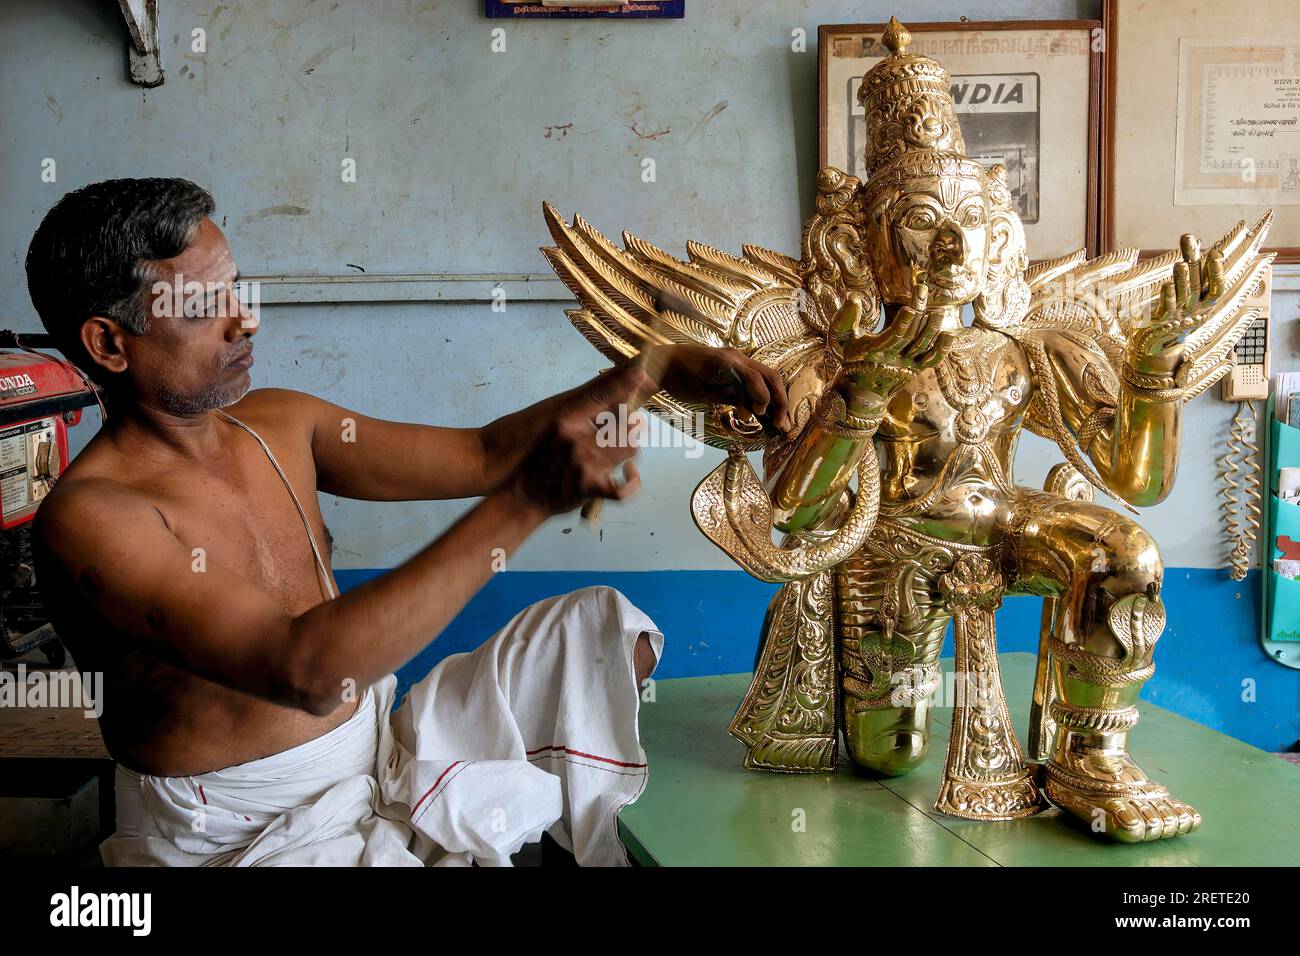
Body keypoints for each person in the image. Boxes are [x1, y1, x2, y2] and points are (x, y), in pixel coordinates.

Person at [25, 177, 791, 865]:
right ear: (108, 344)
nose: (245, 323)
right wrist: (526, 504)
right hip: (242, 832)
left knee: (596, 636)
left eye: (236, 290)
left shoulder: (282, 422)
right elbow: (308, 670)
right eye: (202, 307)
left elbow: (487, 451)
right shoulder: (94, 517)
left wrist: (651, 373)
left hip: (377, 754)